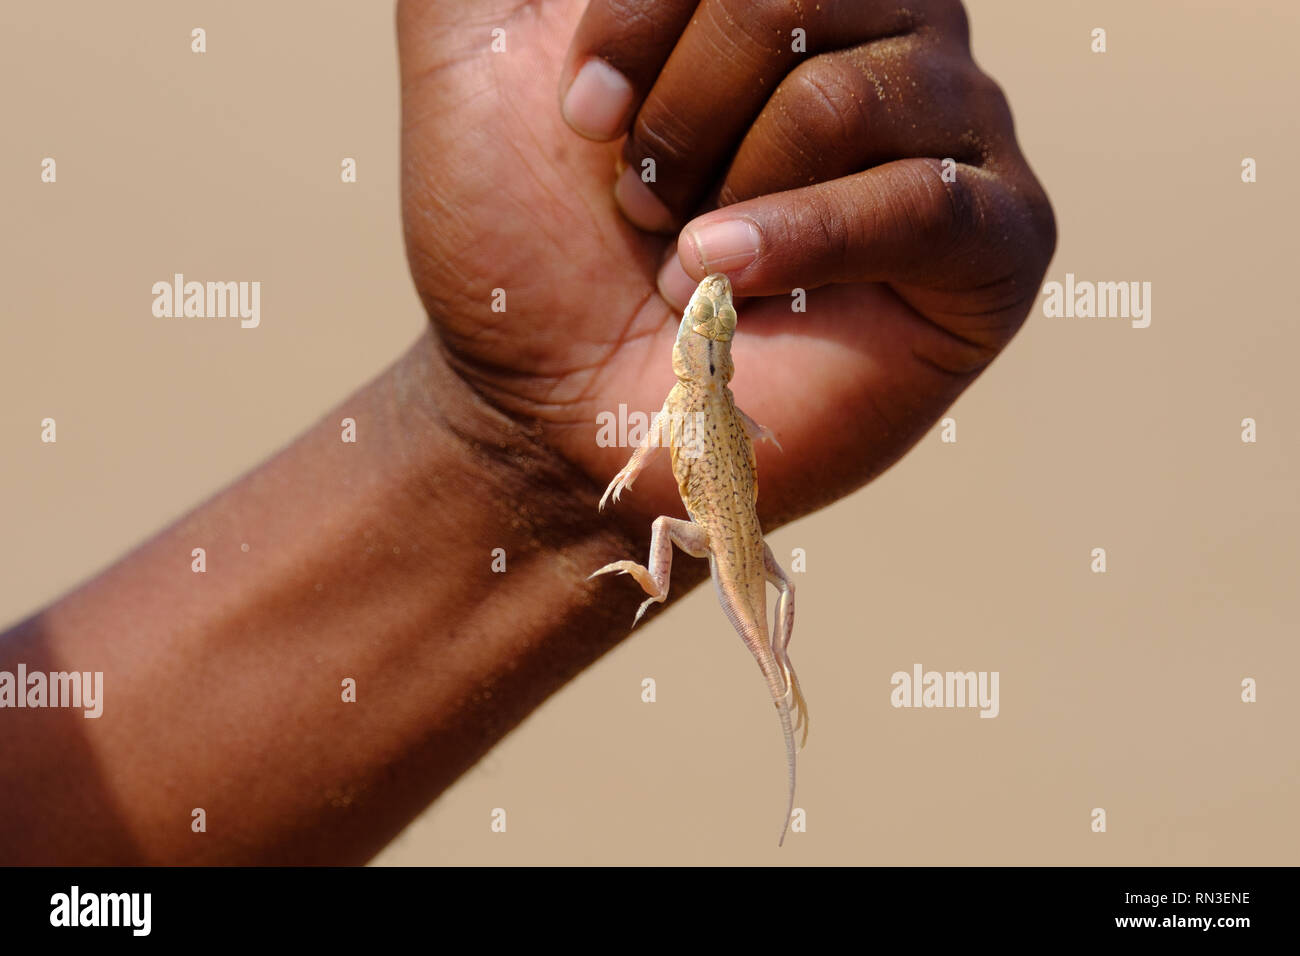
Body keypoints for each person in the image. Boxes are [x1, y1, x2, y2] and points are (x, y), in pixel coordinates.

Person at [0, 0, 1054, 863]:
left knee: (758, 585)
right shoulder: (705, 393)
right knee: (760, 585)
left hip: (698, 512)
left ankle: (780, 669)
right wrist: (535, 460)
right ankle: (781, 670)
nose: (708, 307)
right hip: (707, 511)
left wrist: (524, 457)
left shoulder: (700, 393)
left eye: (710, 316)